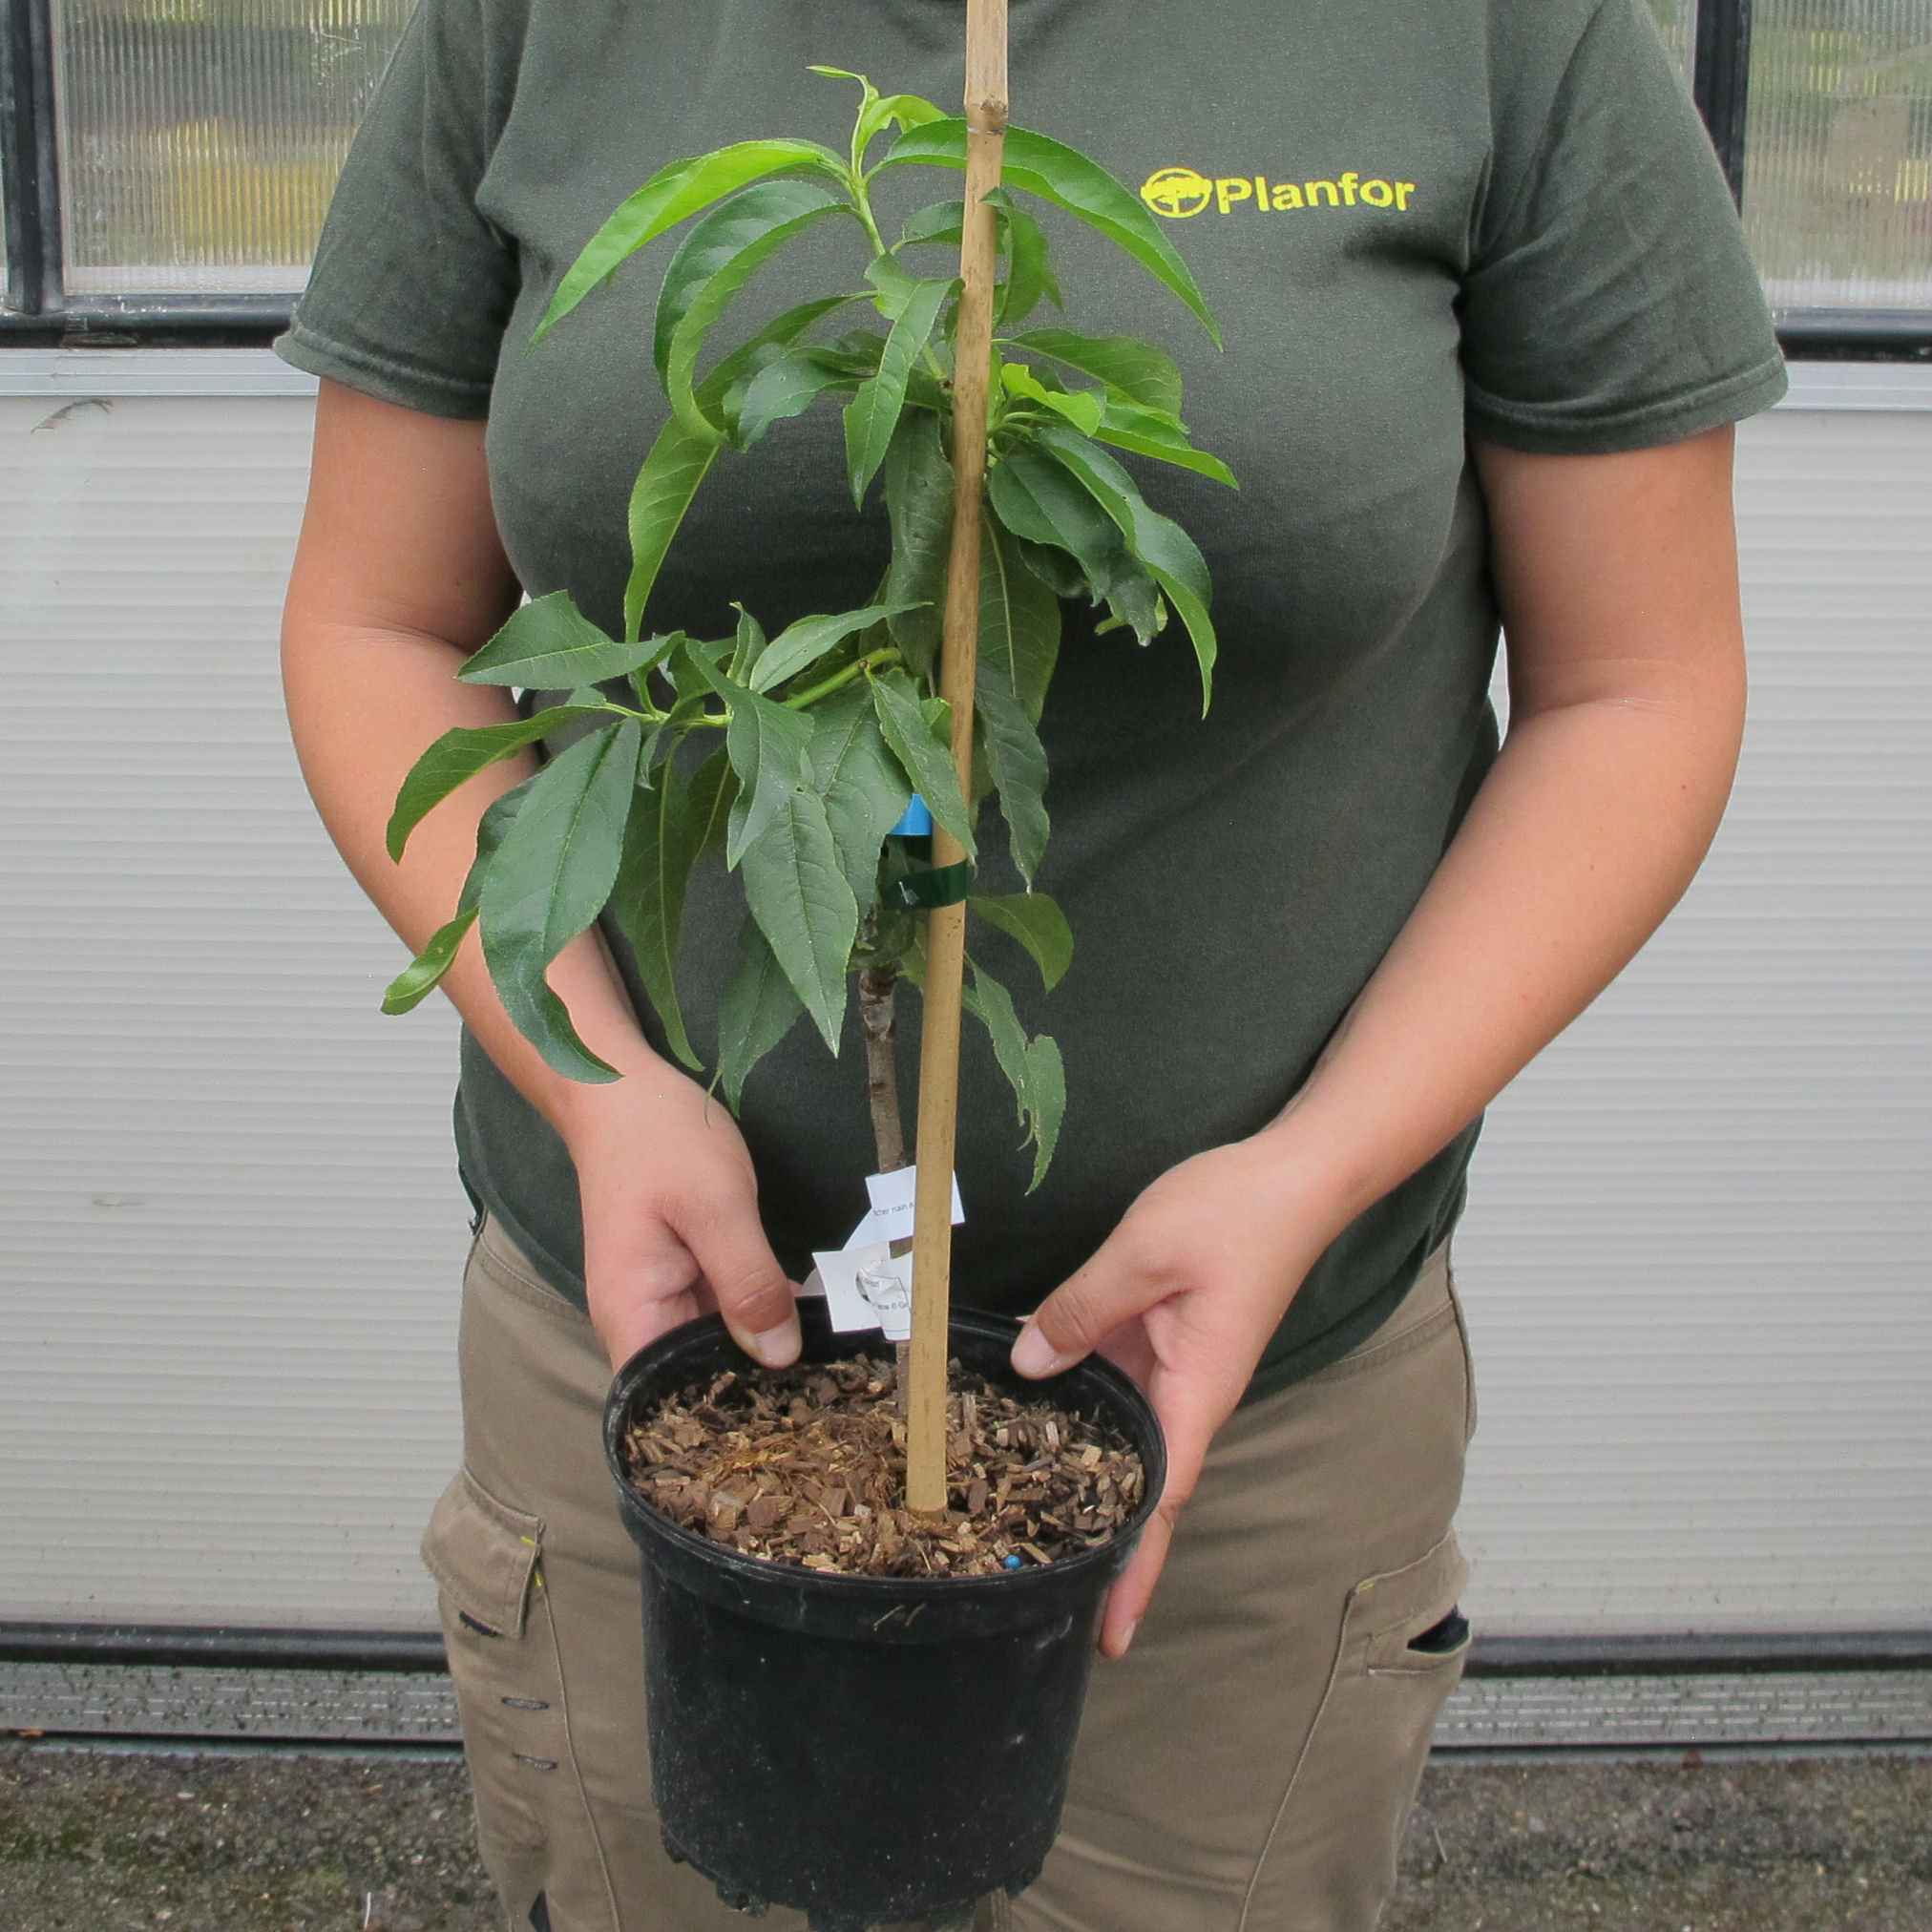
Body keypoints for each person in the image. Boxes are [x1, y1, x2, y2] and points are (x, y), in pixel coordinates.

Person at [276, 0, 1784, 1925]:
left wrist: (1304, 1174)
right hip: (657, 1393)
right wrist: (594, 1080)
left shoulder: (1495, 32)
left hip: (1238, 1426)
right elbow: (375, 625)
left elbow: (1640, 683)